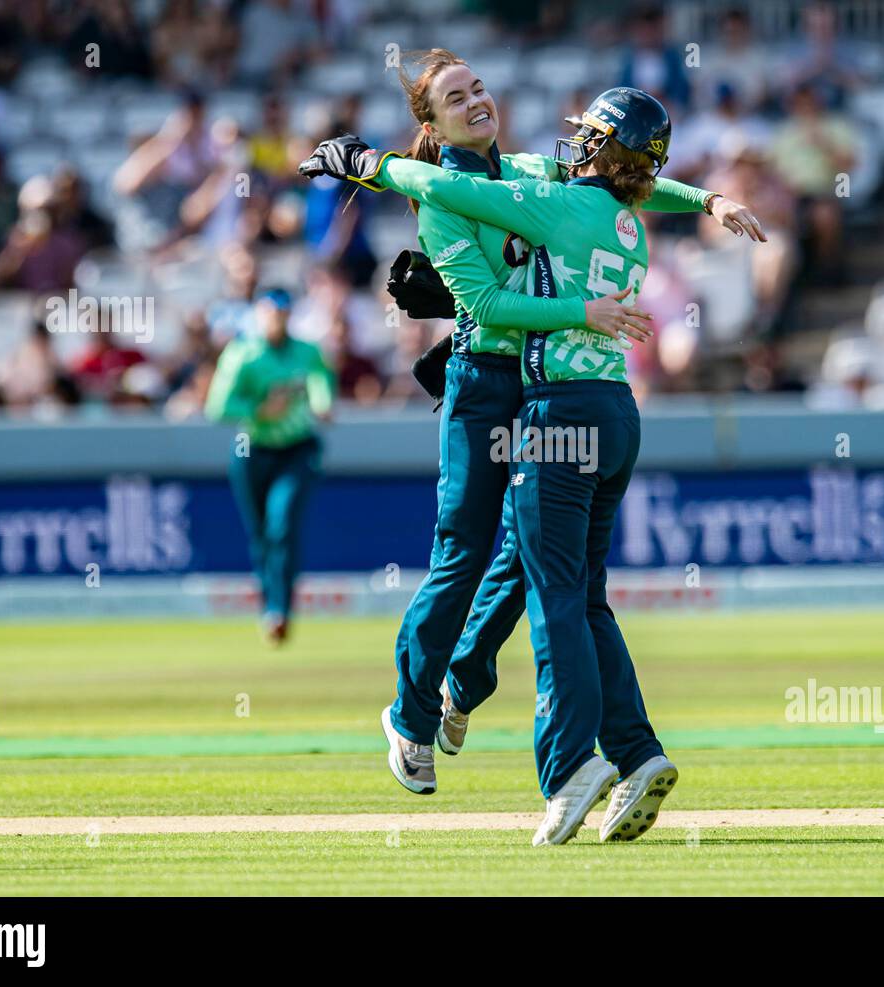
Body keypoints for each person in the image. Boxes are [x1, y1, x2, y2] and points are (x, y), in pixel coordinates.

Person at [301, 87, 763, 845]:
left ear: (602, 153)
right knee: (548, 585)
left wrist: (362, 161)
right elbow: (625, 187)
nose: (573, 142)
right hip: (574, 404)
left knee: (550, 593)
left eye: (589, 138)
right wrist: (707, 198)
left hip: (552, 408)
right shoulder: (615, 213)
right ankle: (607, 745)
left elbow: (443, 185)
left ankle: (560, 758)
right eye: (460, 95)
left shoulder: (547, 195)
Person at [204, 287, 335, 644]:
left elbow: (320, 381)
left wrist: (322, 404)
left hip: (297, 448)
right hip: (253, 450)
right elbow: (218, 406)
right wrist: (259, 410)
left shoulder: (306, 351)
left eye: (282, 313)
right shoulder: (242, 354)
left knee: (282, 524)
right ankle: (269, 605)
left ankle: (280, 609)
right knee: (260, 534)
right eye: (269, 313)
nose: (276, 320)